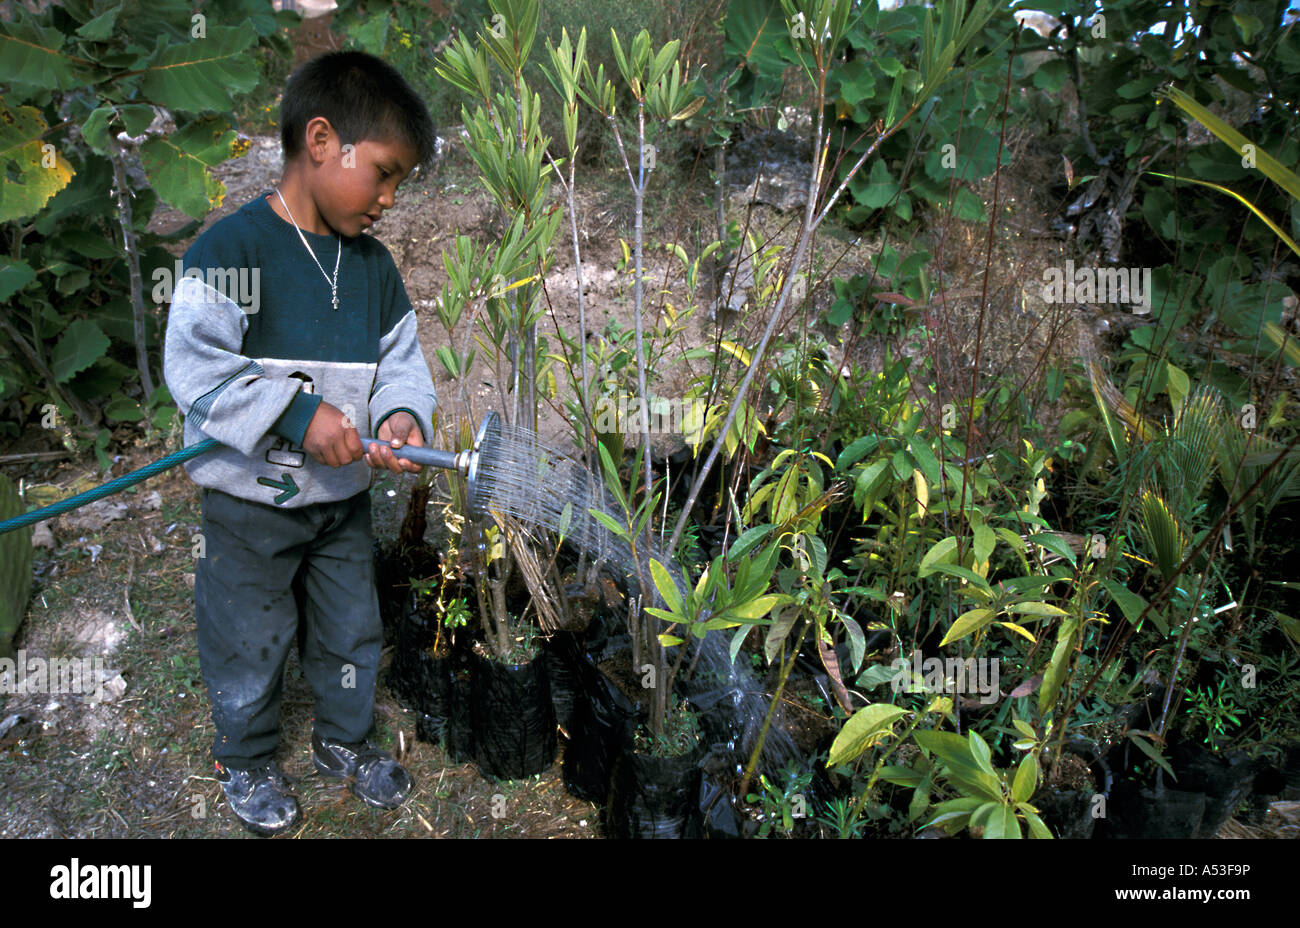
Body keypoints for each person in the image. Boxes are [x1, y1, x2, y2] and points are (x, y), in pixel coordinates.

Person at [163, 50, 439, 837]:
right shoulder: (231, 255)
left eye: (399, 185)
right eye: (383, 174)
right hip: (250, 504)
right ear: (321, 140)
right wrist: (296, 413)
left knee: (352, 623)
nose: (388, 199)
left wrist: (399, 420)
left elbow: (401, 366)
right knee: (248, 632)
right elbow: (197, 369)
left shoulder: (374, 270)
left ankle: (344, 743)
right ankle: (244, 758)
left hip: (339, 505)